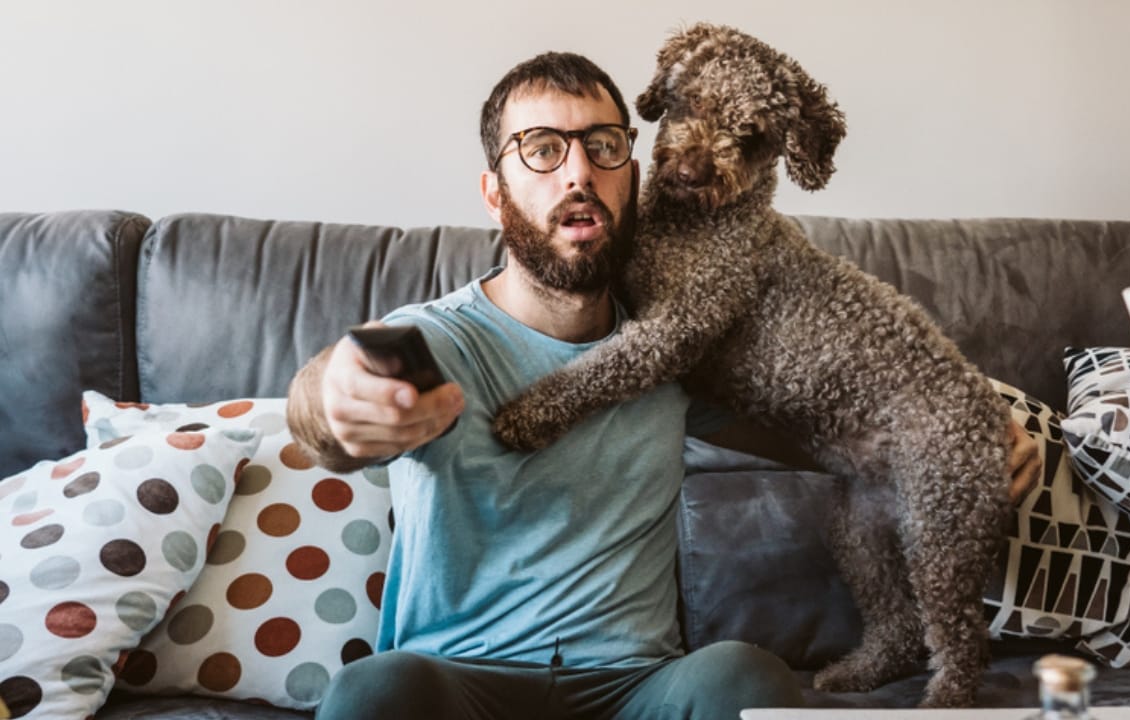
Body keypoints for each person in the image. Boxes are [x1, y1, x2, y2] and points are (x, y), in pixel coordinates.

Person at [286, 51, 1042, 719]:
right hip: (460, 682)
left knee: (743, 675)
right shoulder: (442, 338)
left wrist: (980, 430)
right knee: (372, 692)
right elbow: (325, 403)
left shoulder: (681, 354)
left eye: (602, 147)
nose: (578, 171)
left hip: (635, 689)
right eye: (543, 150)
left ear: (635, 176)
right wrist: (333, 400)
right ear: (494, 193)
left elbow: (838, 424)